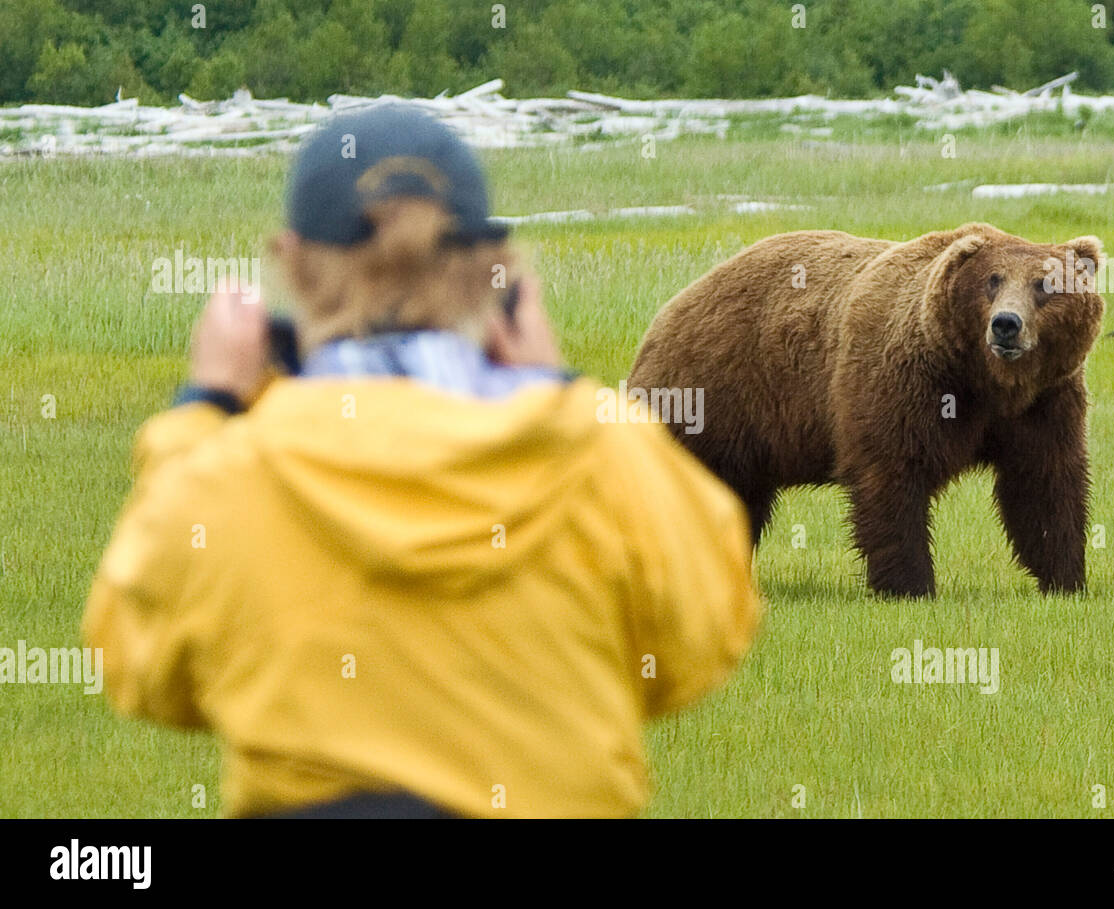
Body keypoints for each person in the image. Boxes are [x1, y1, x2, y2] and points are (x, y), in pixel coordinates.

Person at [82, 104, 761, 818]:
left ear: (291, 264)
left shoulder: (229, 476)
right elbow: (704, 641)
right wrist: (563, 393)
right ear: (497, 273)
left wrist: (203, 406)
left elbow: (137, 662)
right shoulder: (599, 459)